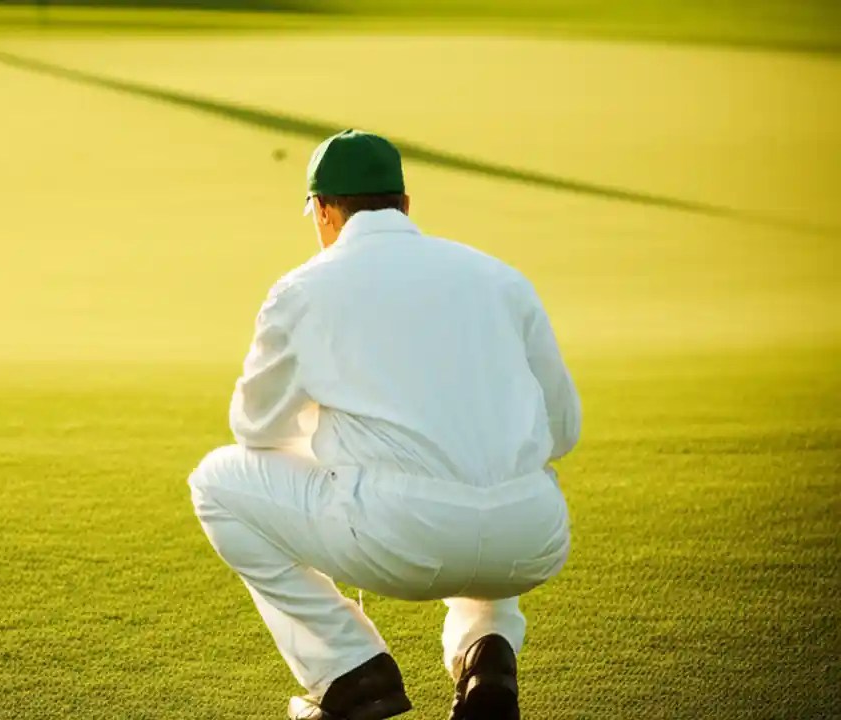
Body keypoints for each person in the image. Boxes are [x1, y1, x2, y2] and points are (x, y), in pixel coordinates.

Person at [188, 129, 580, 720]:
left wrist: (339, 437)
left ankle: (351, 673)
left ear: (323, 212)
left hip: (397, 537)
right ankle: (488, 658)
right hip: (531, 539)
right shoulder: (501, 278)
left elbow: (255, 428)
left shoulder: (301, 289)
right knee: (484, 464)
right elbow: (563, 430)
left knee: (215, 481)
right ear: (404, 205)